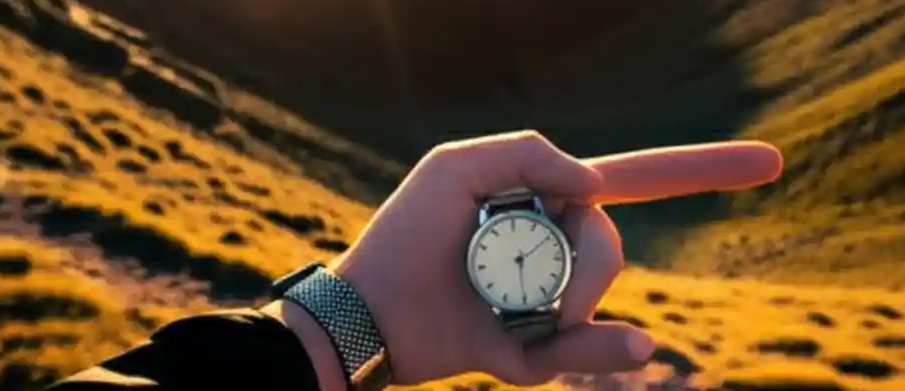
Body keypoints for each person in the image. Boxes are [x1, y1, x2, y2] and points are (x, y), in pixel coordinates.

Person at [50, 131, 783, 390]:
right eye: (516, 258)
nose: (525, 263)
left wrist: (351, 322)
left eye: (534, 259)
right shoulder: (516, 248)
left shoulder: (501, 245)